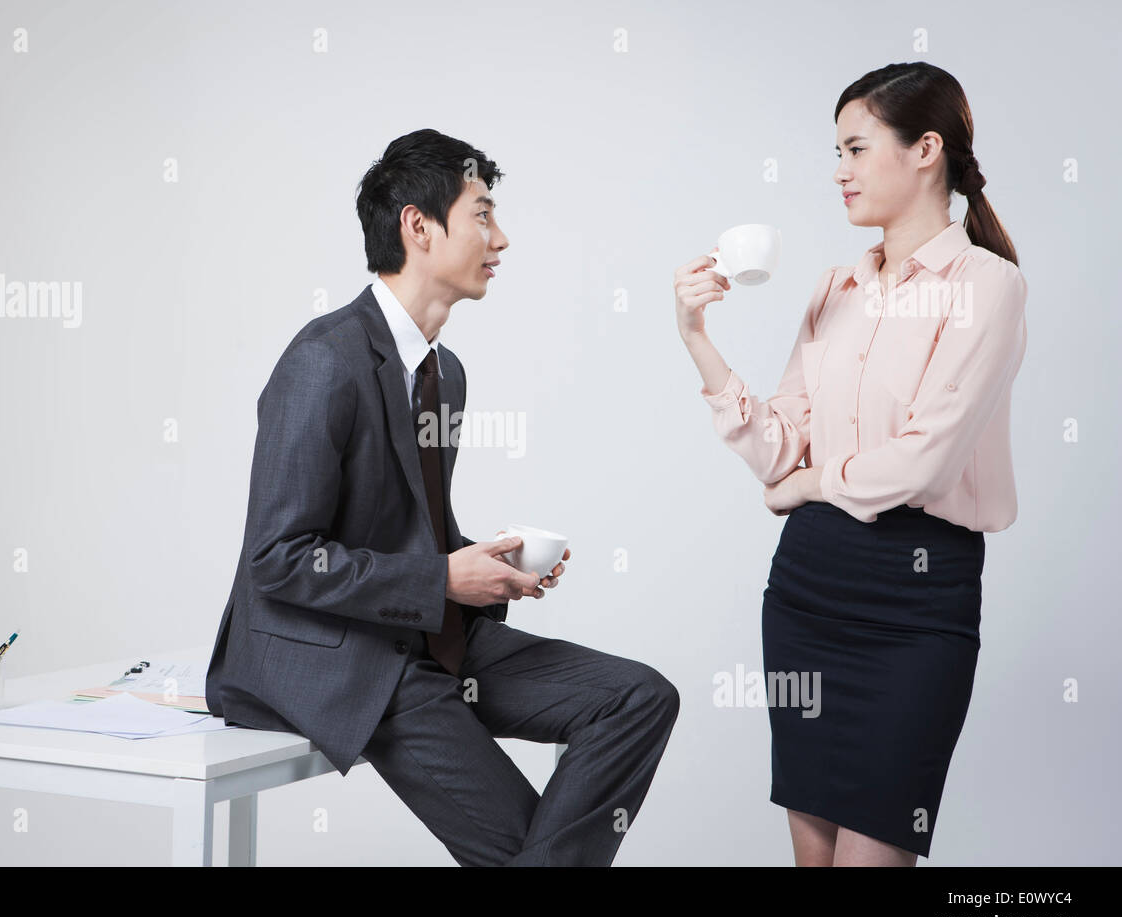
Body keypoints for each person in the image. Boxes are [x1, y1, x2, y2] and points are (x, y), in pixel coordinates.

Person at [207, 128, 680, 866]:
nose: (503, 239)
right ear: (418, 227)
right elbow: (277, 561)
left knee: (639, 698)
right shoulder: (322, 362)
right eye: (483, 215)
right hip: (339, 654)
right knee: (536, 850)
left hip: (425, 634)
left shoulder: (444, 373)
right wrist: (441, 578)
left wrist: (482, 564)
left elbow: (411, 532)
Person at [674, 62, 1027, 866]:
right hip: (808, 592)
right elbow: (778, 450)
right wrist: (700, 341)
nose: (839, 170)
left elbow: (924, 463)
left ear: (926, 149)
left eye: (857, 149)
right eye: (836, 150)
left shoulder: (987, 286)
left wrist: (810, 484)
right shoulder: (835, 287)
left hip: (917, 598)